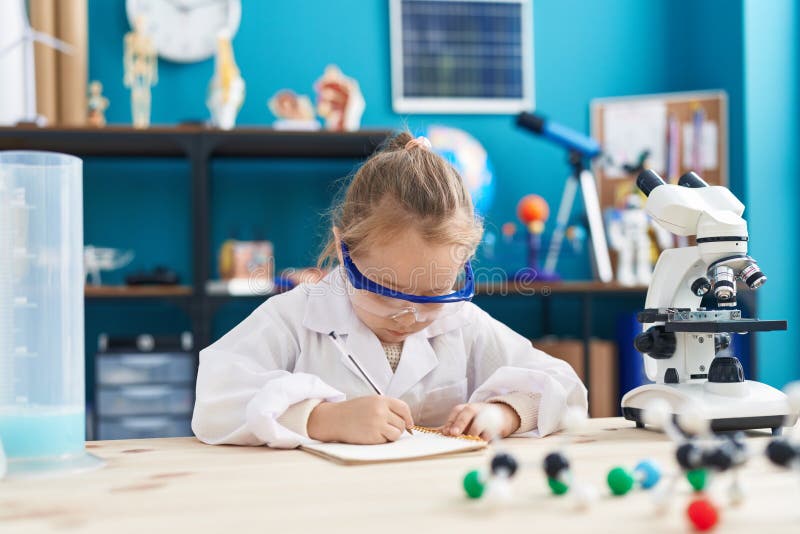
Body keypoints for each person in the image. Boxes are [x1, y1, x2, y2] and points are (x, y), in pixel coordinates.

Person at [192, 132, 587, 448]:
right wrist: (319, 419)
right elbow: (215, 397)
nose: (408, 315)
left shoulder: (461, 322)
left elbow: (566, 388)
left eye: (433, 293)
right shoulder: (295, 317)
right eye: (384, 291)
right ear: (345, 252)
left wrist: (506, 412)